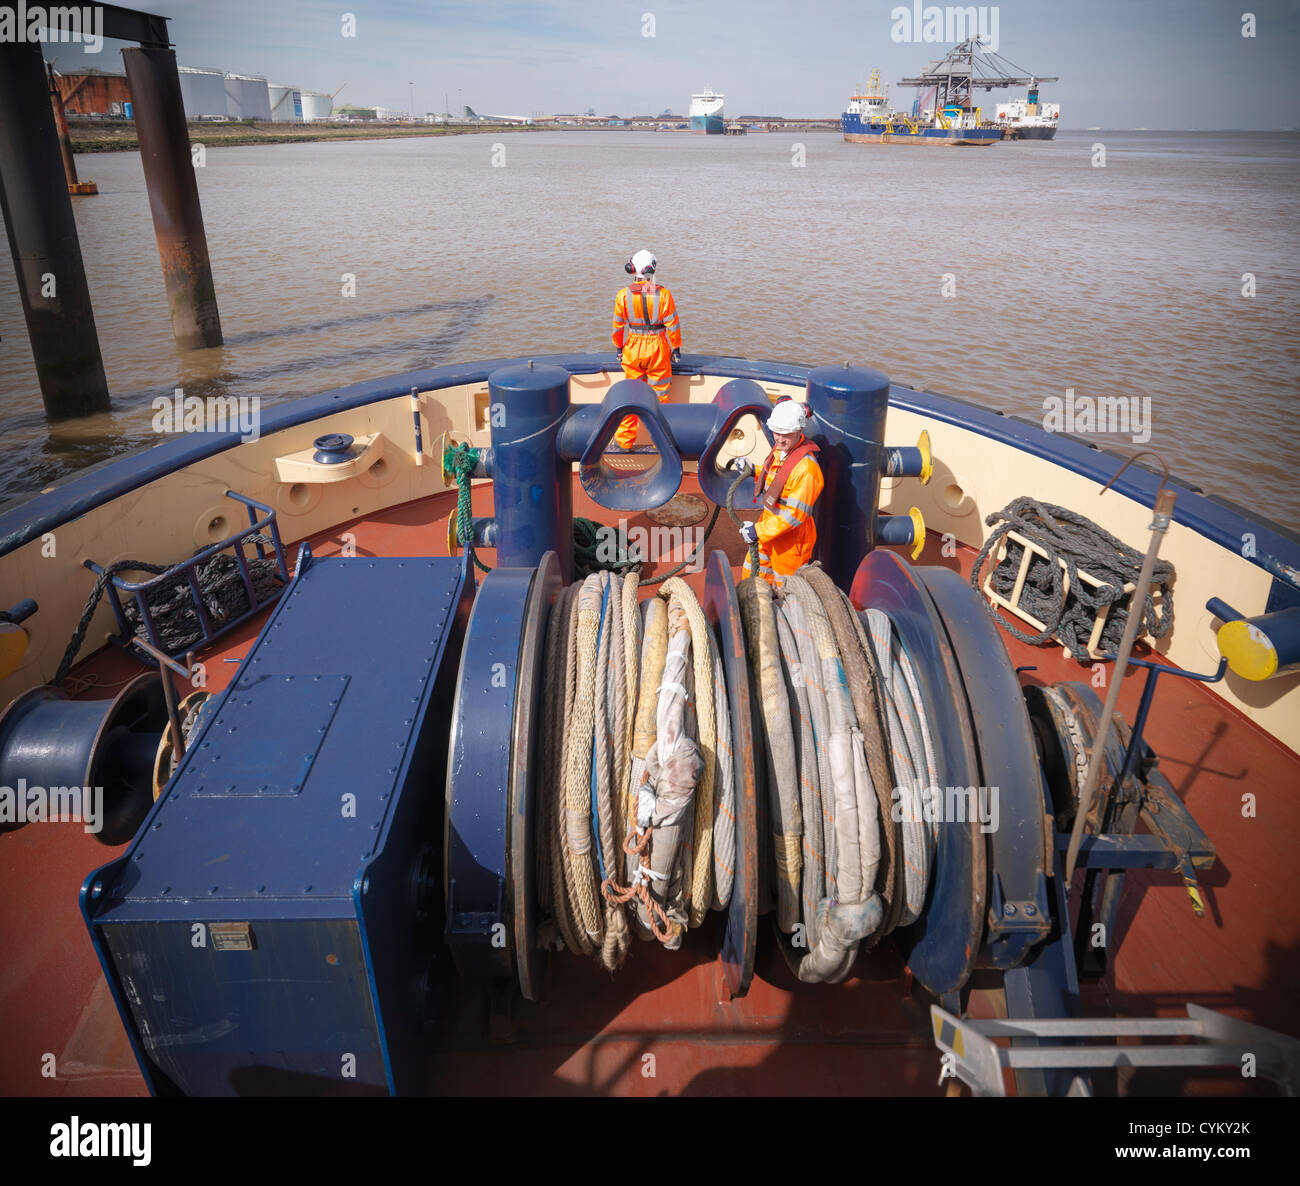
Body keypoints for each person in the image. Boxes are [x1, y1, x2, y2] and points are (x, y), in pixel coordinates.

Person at [738, 398, 824, 587]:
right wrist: (753, 469)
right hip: (769, 529)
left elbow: (793, 516)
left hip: (790, 543)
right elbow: (777, 478)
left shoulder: (807, 470)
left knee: (786, 589)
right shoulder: (782, 451)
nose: (779, 439)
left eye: (786, 434)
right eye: (776, 433)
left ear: (799, 431)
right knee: (753, 575)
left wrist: (758, 531)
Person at [611, 249, 681, 450]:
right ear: (652, 269)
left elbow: (617, 326)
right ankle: (658, 441)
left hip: (632, 349)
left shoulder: (623, 295)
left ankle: (624, 441)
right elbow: (673, 327)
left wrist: (619, 346)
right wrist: (675, 348)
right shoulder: (664, 295)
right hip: (658, 349)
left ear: (632, 269)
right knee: (660, 397)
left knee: (631, 395)